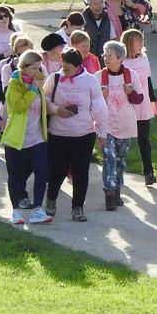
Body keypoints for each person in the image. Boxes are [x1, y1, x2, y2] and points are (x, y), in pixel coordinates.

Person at [43, 47, 107, 223]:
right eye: (62, 62)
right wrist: (57, 110)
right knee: (58, 169)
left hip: (84, 133)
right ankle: (51, 199)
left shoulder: (90, 81)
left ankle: (77, 207)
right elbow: (44, 101)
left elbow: (99, 106)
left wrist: (102, 132)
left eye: (68, 63)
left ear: (78, 64)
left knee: (81, 171)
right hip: (59, 133)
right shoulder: (54, 78)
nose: (64, 66)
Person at [1, 49, 51, 225]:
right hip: (17, 139)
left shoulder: (39, 82)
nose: (38, 72)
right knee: (15, 176)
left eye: (40, 68)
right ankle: (16, 211)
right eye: (34, 68)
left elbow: (43, 107)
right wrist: (31, 89)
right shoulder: (14, 85)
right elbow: (19, 106)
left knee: (42, 171)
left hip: (37, 138)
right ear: (24, 68)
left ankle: (37, 209)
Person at [98, 40, 145, 210]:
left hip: (125, 125)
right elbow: (93, 103)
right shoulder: (99, 76)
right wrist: (101, 96)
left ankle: (117, 189)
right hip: (106, 126)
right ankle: (109, 194)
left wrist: (129, 92)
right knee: (109, 158)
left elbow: (139, 99)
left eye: (109, 55)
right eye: (105, 55)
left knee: (121, 161)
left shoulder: (131, 75)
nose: (106, 59)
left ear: (120, 58)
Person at [121, 28, 157, 186]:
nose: (142, 43)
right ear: (129, 42)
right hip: (127, 104)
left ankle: (148, 171)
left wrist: (153, 100)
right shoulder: (122, 60)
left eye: (142, 40)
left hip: (143, 102)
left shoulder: (144, 57)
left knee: (144, 138)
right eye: (138, 41)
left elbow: (148, 79)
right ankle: (119, 171)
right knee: (123, 139)